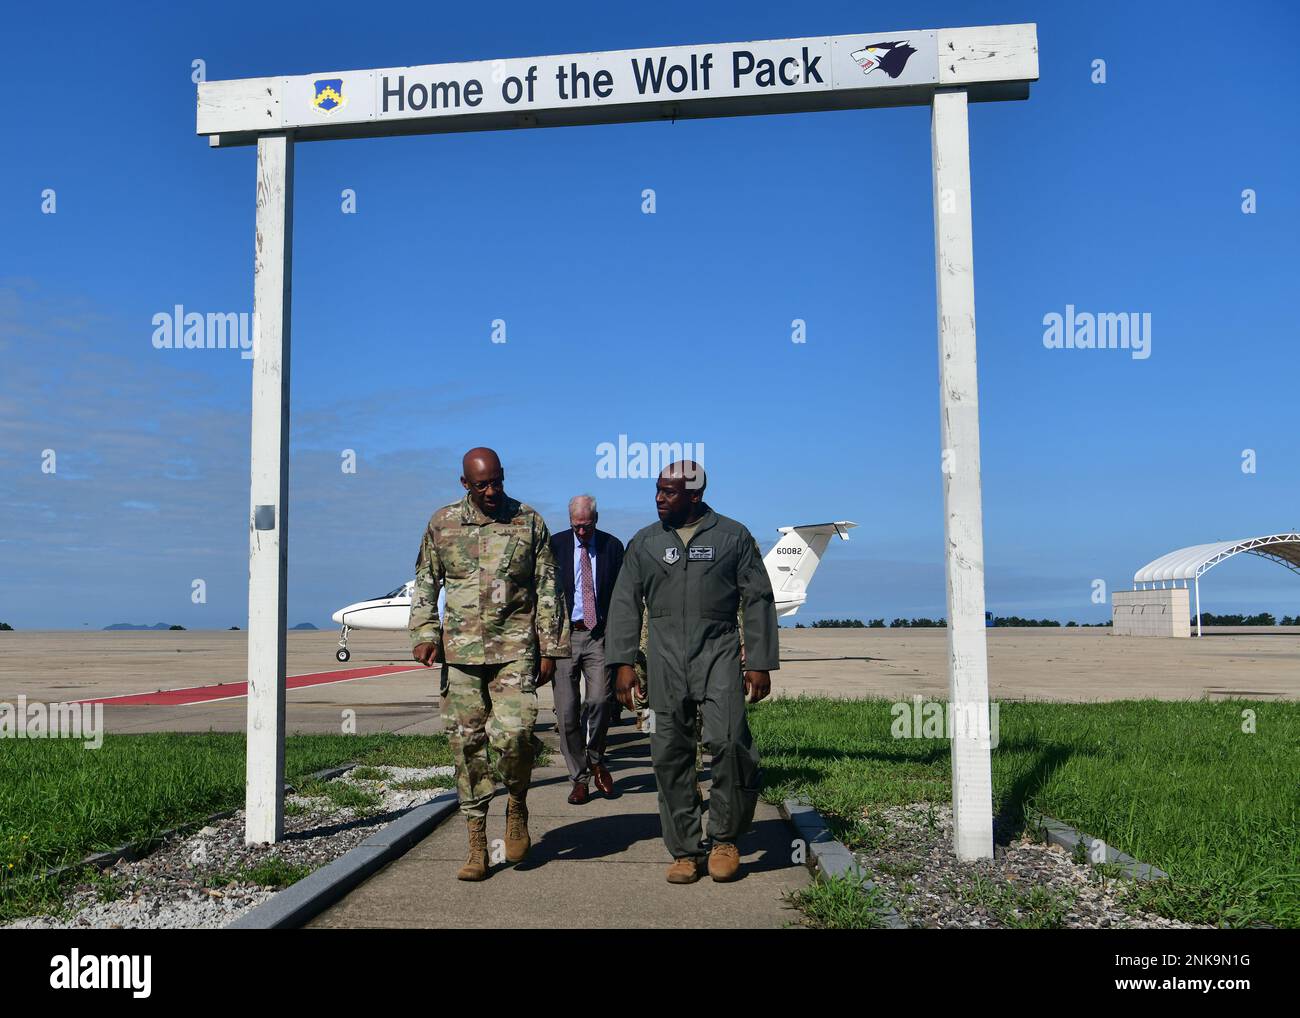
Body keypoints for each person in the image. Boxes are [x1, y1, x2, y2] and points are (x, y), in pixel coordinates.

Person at [606, 460, 778, 884]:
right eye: (658, 490)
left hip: (718, 652)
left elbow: (757, 599)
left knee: (731, 742)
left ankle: (725, 839)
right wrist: (622, 663)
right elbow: (626, 602)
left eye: (669, 492)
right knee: (669, 753)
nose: (659, 499)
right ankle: (685, 850)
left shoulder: (732, 536)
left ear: (695, 495)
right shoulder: (645, 542)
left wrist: (759, 661)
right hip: (664, 659)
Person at [410, 447, 569, 881]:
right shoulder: (442, 523)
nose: (492, 491)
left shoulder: (528, 521)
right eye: (482, 484)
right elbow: (425, 582)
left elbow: (549, 587)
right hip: (460, 656)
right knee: (467, 748)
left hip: (515, 650)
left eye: (497, 481)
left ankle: (517, 803)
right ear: (465, 484)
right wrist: (425, 633)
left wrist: (551, 649)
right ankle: (477, 841)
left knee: (516, 737)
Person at [549, 495, 625, 804]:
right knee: (567, 714)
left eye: (587, 525)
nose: (582, 532)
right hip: (565, 637)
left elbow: (623, 596)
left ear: (597, 518)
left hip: (598, 635)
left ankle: (596, 758)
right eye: (576, 526)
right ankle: (578, 778)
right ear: (570, 521)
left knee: (600, 701)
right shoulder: (555, 545)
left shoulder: (612, 546)